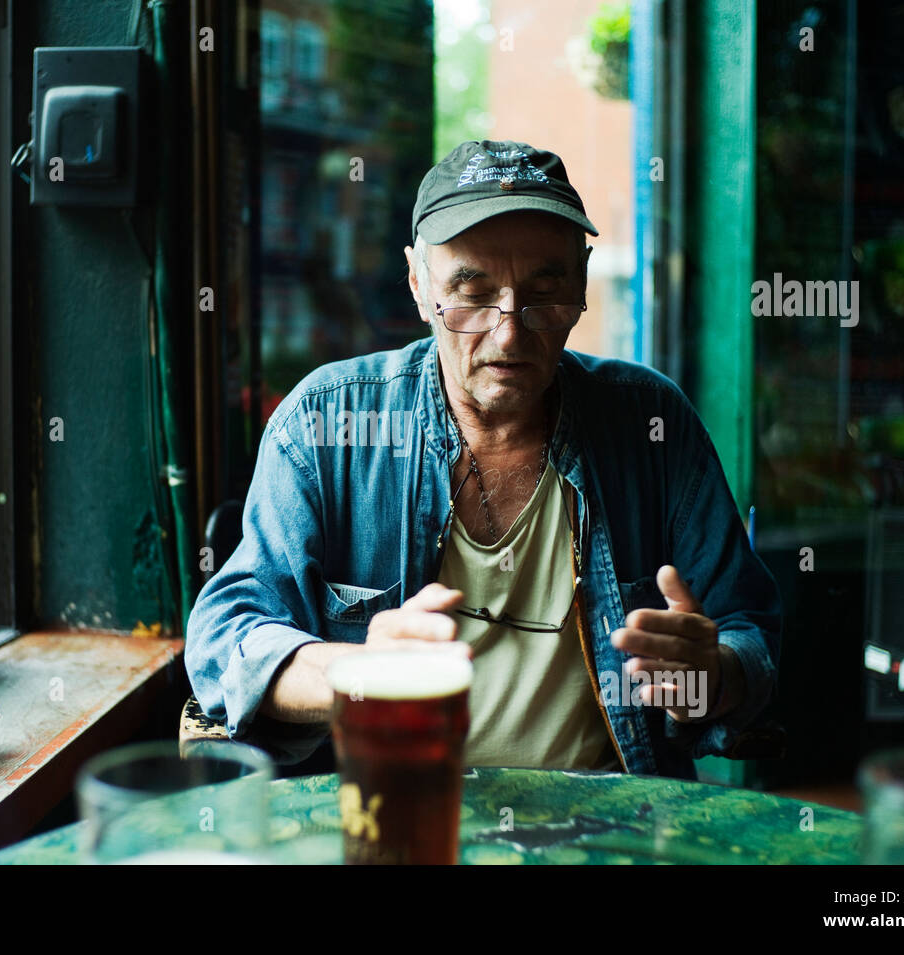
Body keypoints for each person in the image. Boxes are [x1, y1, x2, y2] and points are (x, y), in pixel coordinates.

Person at [185, 140, 781, 777]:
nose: (509, 331)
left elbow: (753, 636)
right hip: (397, 816)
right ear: (418, 284)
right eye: (470, 293)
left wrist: (710, 676)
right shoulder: (326, 424)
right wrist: (351, 671)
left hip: (610, 824)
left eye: (544, 292)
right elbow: (227, 637)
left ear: (581, 281)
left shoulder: (650, 425)